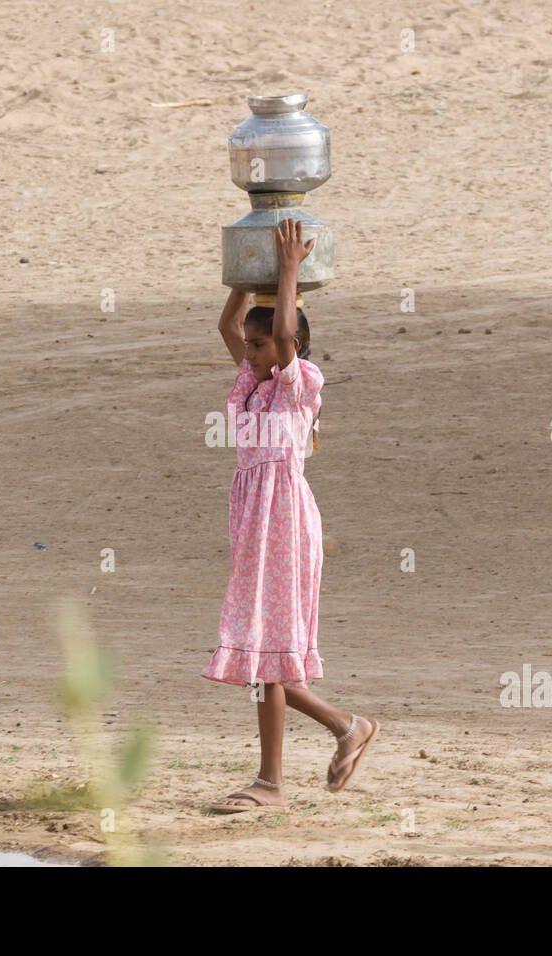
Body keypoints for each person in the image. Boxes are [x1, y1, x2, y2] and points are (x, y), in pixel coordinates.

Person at [202, 218, 379, 813]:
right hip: (255, 519)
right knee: (265, 650)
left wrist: (287, 274)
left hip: (284, 518)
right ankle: (345, 728)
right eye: (250, 347)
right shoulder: (251, 384)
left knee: (266, 649)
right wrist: (244, 275)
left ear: (289, 349)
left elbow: (281, 329)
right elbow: (230, 325)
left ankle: (273, 782)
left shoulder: (299, 384)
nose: (249, 352)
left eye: (261, 346)